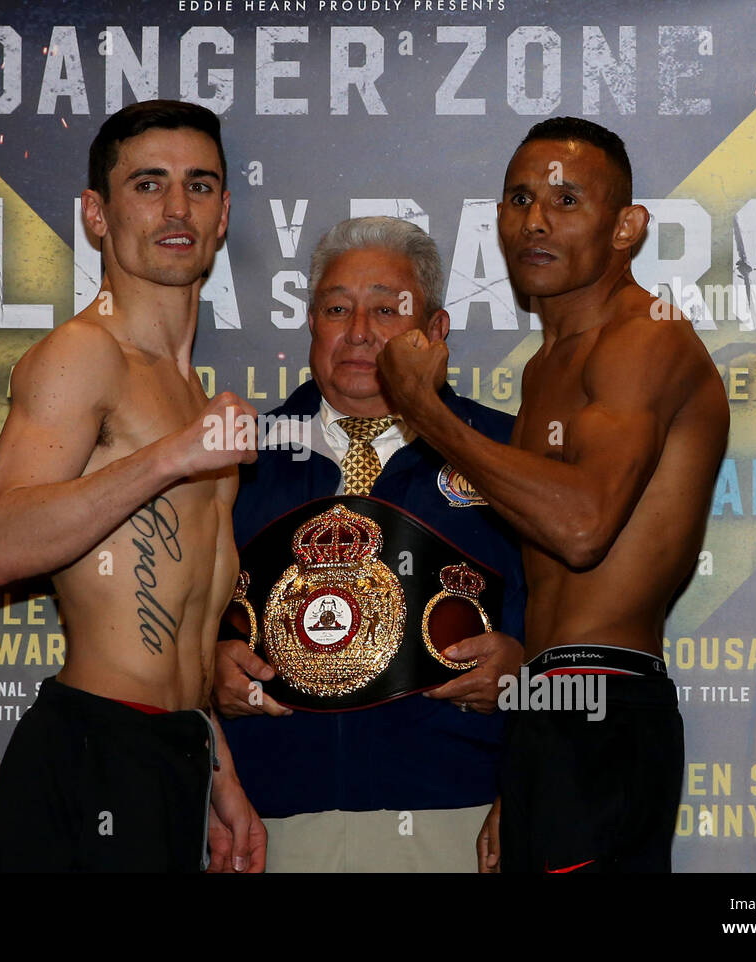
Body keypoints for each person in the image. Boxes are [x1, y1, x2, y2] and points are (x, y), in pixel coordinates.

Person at [378, 117, 730, 873]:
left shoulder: (645, 337)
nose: (534, 220)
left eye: (567, 202)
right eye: (519, 198)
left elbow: (582, 527)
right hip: (553, 706)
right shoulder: (547, 366)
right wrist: (519, 773)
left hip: (605, 699)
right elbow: (550, 583)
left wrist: (427, 411)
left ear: (625, 227)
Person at [0, 100, 266, 873]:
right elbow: (1, 546)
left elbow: (186, 620)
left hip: (171, 750)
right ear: (97, 215)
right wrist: (172, 457)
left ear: (224, 211)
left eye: (199, 185)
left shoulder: (194, 398)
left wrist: (217, 767)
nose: (177, 208)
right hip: (93, 746)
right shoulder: (83, 354)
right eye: (149, 185)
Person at [217, 216, 527, 872]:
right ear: (311, 324)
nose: (358, 332)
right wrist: (201, 672)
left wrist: (528, 674)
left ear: (435, 332)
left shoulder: (513, 455)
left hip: (459, 821)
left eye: (387, 309)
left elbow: (583, 625)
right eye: (337, 309)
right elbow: (164, 628)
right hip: (271, 825)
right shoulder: (235, 460)